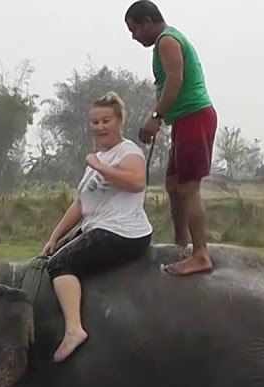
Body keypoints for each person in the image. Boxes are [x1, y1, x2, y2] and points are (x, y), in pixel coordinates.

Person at [41, 91, 153, 363]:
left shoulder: (128, 152)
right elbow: (81, 204)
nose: (101, 127)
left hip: (123, 230)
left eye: (106, 121)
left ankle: (74, 330)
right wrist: (55, 237)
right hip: (98, 226)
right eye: (96, 122)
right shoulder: (99, 158)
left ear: (119, 122)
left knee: (60, 265)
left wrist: (99, 166)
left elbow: (137, 182)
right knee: (47, 259)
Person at [124, 0, 217, 277]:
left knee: (188, 187)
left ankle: (200, 254)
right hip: (184, 120)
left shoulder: (167, 41)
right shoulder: (164, 42)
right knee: (173, 184)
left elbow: (175, 79)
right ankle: (181, 245)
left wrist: (156, 116)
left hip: (195, 116)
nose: (134, 36)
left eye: (135, 29)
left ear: (149, 22)